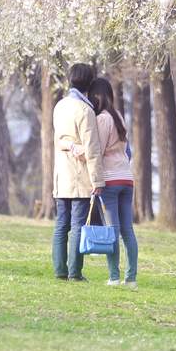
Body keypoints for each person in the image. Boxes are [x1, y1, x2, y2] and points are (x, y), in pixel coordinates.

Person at [64, 77, 139, 288]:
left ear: (95, 96)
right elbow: (126, 151)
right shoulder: (119, 117)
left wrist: (75, 149)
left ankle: (114, 277)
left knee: (111, 230)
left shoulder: (102, 120)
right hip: (127, 179)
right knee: (127, 231)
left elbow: (96, 150)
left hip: (110, 181)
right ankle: (131, 278)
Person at [52, 63, 105, 281]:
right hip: (80, 177)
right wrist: (98, 181)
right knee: (77, 226)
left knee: (61, 225)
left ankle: (59, 270)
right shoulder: (85, 110)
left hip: (61, 175)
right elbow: (92, 149)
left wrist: (70, 145)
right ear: (89, 83)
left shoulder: (60, 106)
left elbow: (58, 140)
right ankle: (75, 272)